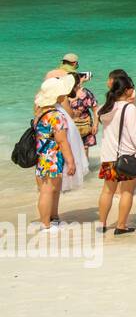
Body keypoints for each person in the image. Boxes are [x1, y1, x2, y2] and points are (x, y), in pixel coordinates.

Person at [96, 72, 136, 235]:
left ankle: (102, 224)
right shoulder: (129, 109)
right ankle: (121, 226)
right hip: (127, 158)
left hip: (108, 157)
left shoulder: (105, 108)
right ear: (127, 90)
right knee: (127, 192)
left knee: (107, 191)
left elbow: (98, 114)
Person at [31, 75, 77, 232]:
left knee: (51, 189)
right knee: (47, 190)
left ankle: (52, 218)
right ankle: (45, 225)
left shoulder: (41, 112)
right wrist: (71, 161)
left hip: (42, 155)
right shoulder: (56, 116)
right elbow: (62, 141)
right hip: (51, 156)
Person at [67, 72, 99, 149]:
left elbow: (95, 110)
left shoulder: (85, 93)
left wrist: (95, 125)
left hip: (83, 126)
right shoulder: (64, 94)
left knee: (83, 148)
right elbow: (95, 110)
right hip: (75, 126)